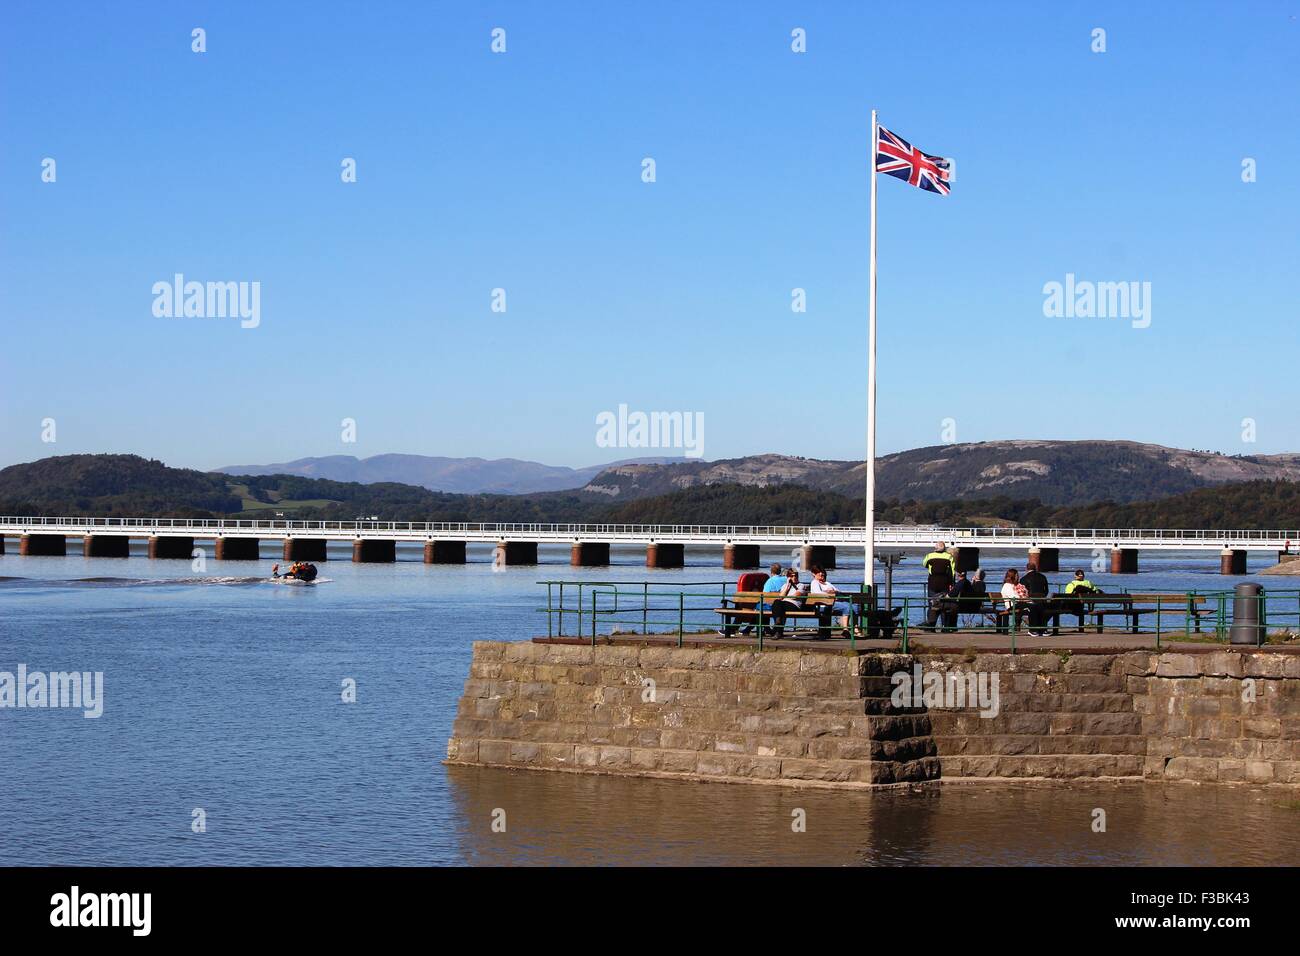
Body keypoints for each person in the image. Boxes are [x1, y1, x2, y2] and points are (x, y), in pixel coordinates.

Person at [922, 542, 955, 631]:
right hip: (945, 584)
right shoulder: (949, 557)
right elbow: (952, 571)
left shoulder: (929, 556)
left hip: (932, 583)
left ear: (935, 548)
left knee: (931, 605)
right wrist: (952, 584)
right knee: (944, 605)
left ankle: (931, 626)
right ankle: (945, 627)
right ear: (944, 549)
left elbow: (924, 564)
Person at [808, 564, 849, 636]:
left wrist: (834, 592)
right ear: (814, 574)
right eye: (818, 572)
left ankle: (849, 629)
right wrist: (828, 593)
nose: (821, 573)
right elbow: (818, 594)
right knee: (847, 607)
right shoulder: (814, 582)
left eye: (822, 572)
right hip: (823, 605)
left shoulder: (827, 583)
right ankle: (847, 629)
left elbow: (837, 591)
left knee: (854, 606)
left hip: (832, 603)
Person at [769, 568, 807, 638]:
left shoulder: (801, 585)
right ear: (788, 577)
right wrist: (787, 586)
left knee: (778, 603)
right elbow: (780, 597)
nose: (794, 577)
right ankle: (778, 629)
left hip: (794, 605)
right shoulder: (784, 586)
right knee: (777, 602)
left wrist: (786, 597)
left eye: (795, 576)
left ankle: (777, 627)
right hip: (783, 605)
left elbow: (796, 595)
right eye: (792, 576)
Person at [1021, 561, 1050, 636]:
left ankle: (1034, 630)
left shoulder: (1024, 578)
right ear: (1036, 568)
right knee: (1042, 609)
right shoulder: (1043, 576)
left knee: (1033, 609)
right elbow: (1046, 590)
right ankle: (1043, 630)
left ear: (1026, 569)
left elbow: (1023, 592)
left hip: (1031, 601)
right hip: (1042, 601)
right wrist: (1043, 596)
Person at [999, 569, 1024, 633]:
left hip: (1018, 604)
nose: (1018, 577)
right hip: (1012, 605)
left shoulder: (1014, 585)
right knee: (1033, 607)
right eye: (1017, 575)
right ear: (1012, 576)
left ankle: (1037, 627)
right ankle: (1035, 628)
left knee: (1035, 607)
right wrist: (1023, 598)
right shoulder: (1007, 586)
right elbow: (1014, 597)